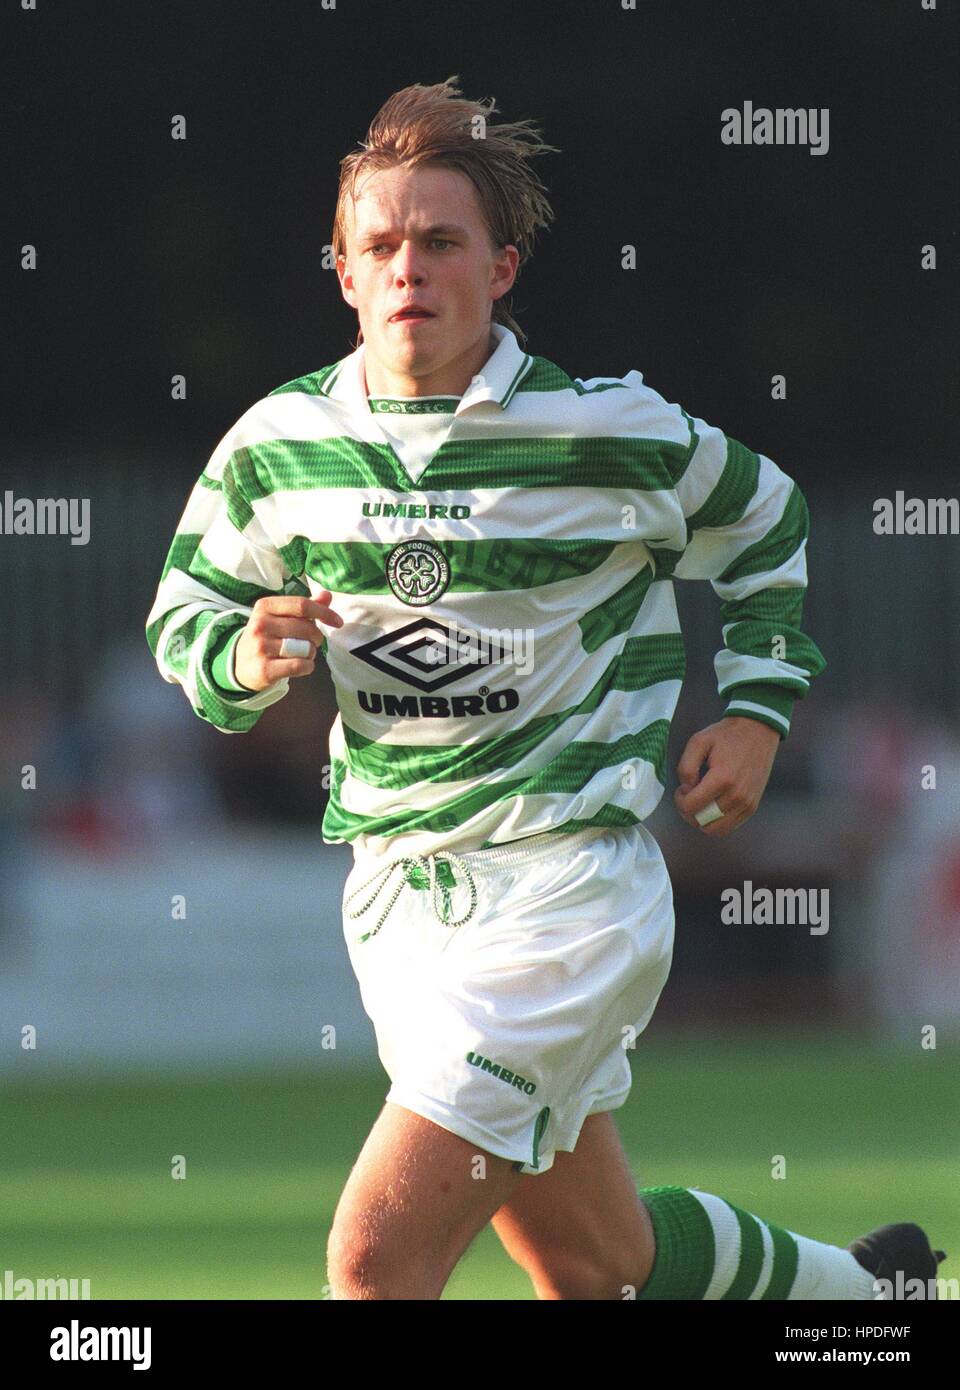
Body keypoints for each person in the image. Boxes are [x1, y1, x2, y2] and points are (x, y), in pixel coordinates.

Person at [145, 77, 944, 1300]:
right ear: (345, 274)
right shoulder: (273, 447)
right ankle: (871, 1306)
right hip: (397, 905)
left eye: (441, 240)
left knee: (373, 1261)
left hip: (565, 898)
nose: (408, 266)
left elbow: (767, 517)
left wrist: (756, 708)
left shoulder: (606, 431)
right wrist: (243, 660)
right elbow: (185, 615)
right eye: (380, 245)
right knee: (597, 1264)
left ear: (502, 266)